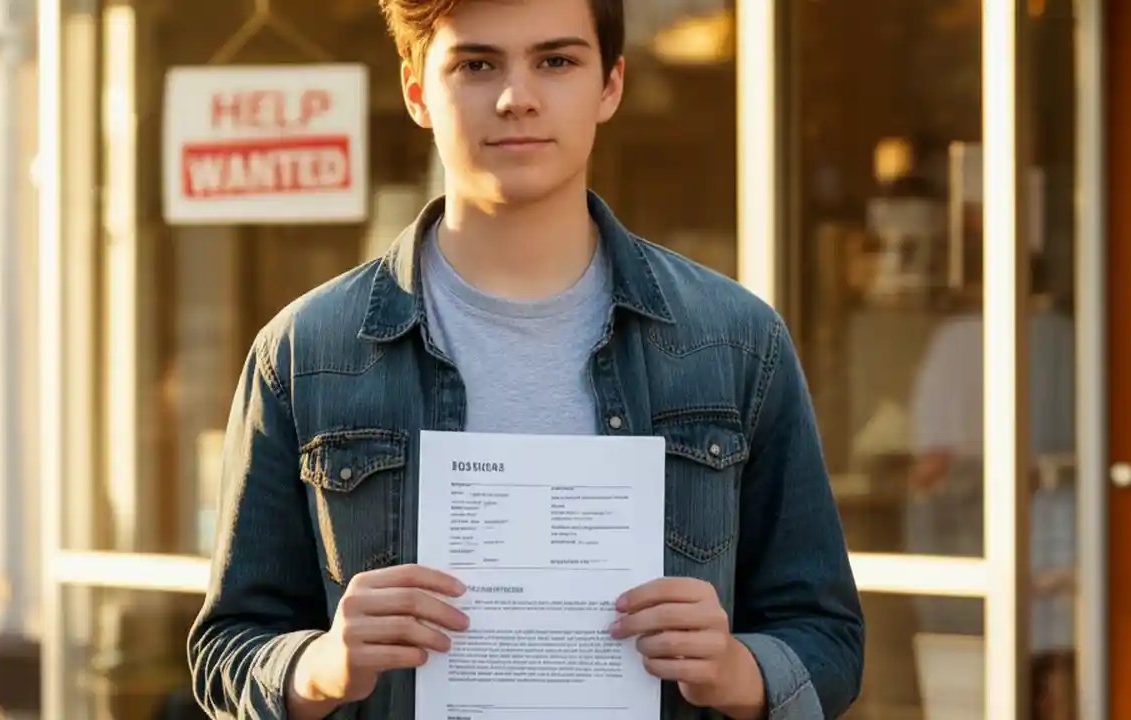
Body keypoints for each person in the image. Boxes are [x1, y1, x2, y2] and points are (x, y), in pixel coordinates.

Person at [187, 0, 864, 718]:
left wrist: (740, 670)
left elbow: (828, 638)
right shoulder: (304, 352)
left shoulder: (735, 343)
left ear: (610, 85)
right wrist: (320, 665)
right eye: (477, 64)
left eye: (556, 61)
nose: (517, 98)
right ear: (416, 89)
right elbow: (227, 646)